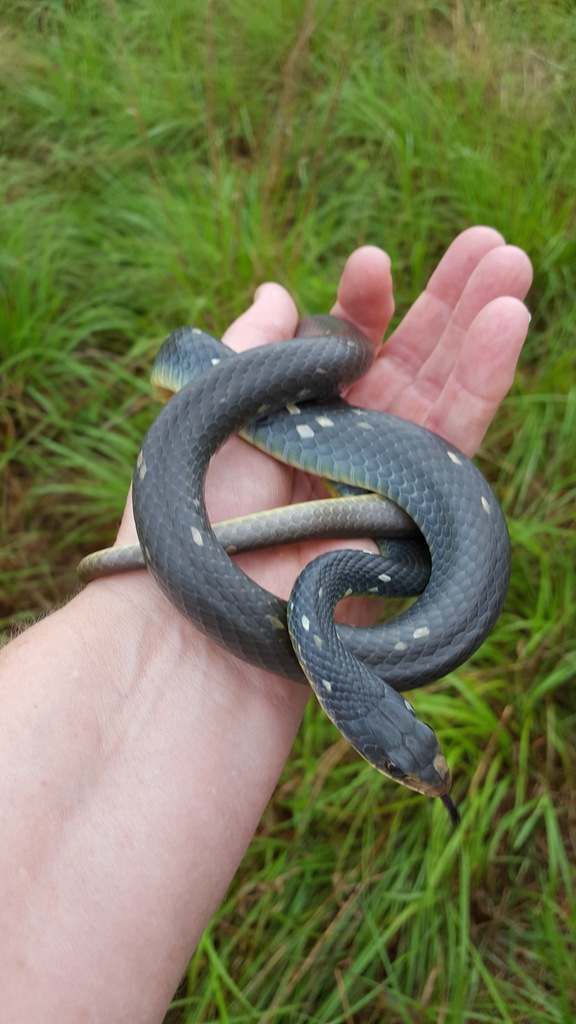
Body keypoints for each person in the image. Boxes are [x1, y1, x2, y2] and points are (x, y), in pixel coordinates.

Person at [0, 228, 532, 1021]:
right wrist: (297, 363)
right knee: (335, 348)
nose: (420, 770)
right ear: (358, 728)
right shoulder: (335, 629)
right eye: (398, 763)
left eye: (405, 762)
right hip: (296, 526)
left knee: (338, 351)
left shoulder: (350, 609)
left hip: (338, 551)